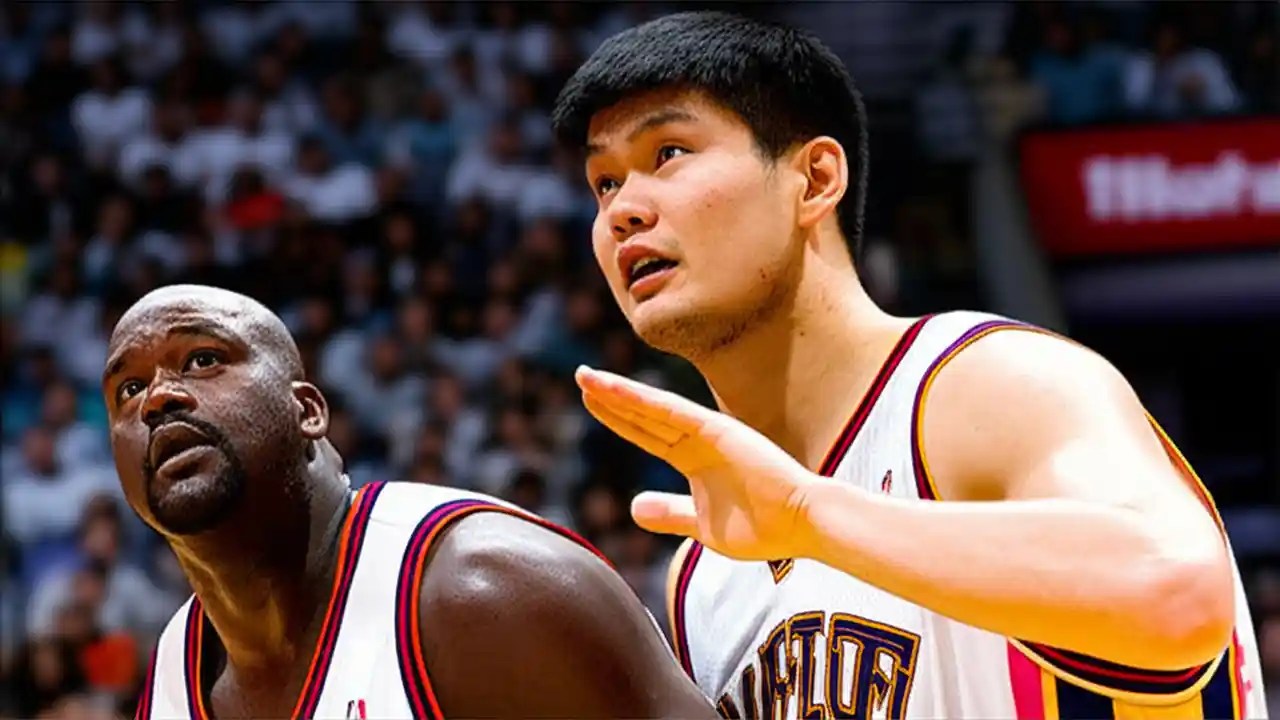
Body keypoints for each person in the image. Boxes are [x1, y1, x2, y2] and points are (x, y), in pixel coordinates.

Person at [552, 11, 1267, 719]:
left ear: (816, 178)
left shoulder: (984, 382)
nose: (623, 211)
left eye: (668, 154)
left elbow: (1177, 591)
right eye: (604, 183)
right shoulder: (702, 571)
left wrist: (809, 513)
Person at [101, 285, 715, 719]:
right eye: (128, 389)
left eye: (202, 359)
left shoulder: (486, 593)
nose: (157, 398)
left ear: (307, 410)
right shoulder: (173, 682)